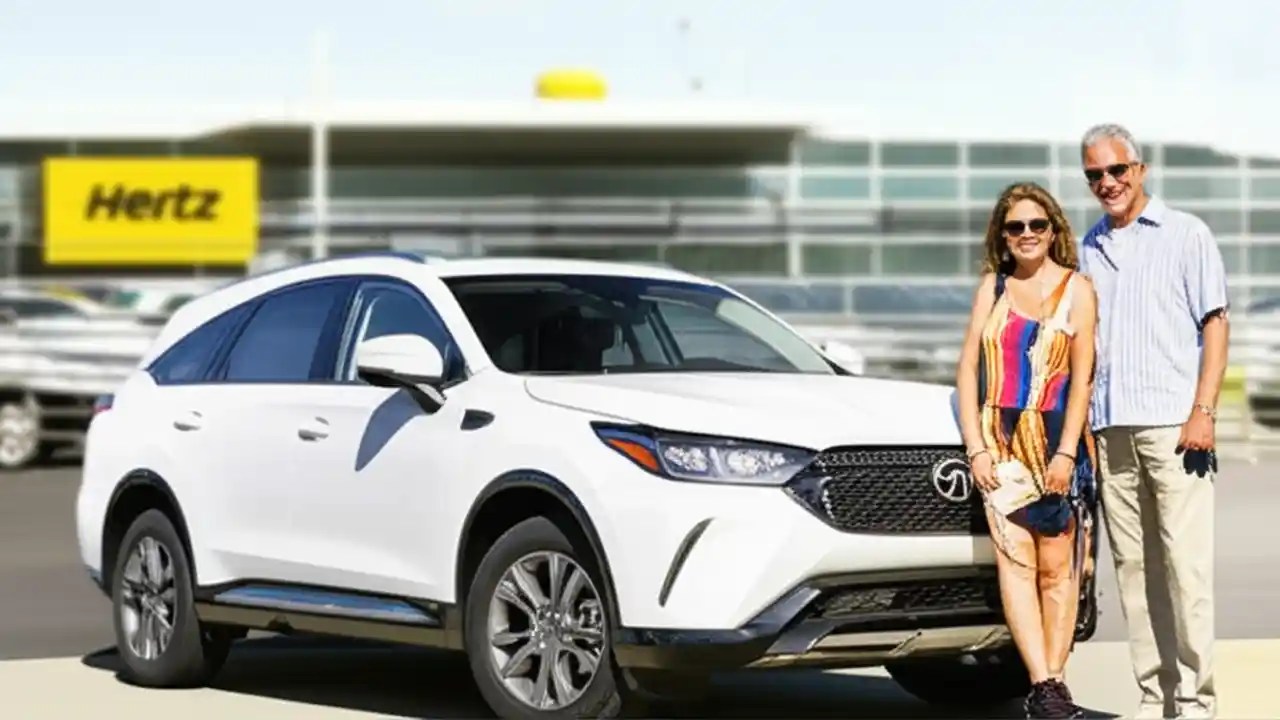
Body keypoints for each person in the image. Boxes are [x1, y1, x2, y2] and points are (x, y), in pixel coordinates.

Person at [1077, 123, 1228, 720]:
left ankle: (1195, 703)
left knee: (1185, 571)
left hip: (1175, 428)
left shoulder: (1186, 234)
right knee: (1134, 575)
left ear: (1139, 170)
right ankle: (1153, 697)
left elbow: (1215, 324)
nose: (1107, 183)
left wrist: (1204, 411)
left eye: (1116, 171)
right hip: (1111, 431)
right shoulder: (1090, 246)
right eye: (1094, 175)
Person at [956, 181, 1098, 719]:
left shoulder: (1077, 290)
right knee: (1014, 564)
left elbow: (1082, 379)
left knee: (1056, 570)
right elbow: (969, 368)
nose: (1027, 234)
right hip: (1001, 442)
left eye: (1037, 225)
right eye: (1015, 226)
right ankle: (1043, 687)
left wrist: (1065, 454)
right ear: (1003, 234)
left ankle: (1054, 682)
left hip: (1057, 441)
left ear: (1054, 229)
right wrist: (976, 448)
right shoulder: (991, 288)